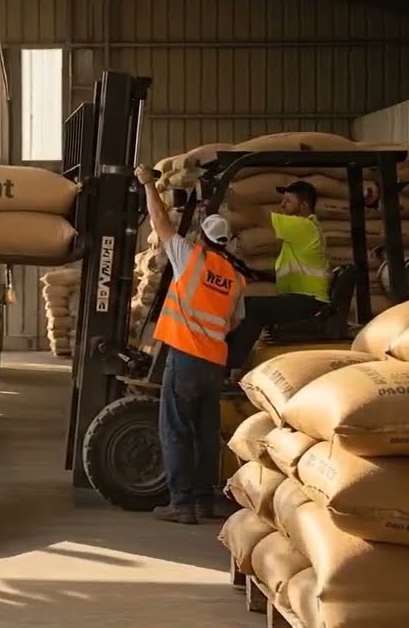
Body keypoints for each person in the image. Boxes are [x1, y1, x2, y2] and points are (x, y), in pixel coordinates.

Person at [137, 165, 246, 525]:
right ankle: (202, 501)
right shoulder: (235, 279)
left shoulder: (191, 257)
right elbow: (234, 322)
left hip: (185, 358)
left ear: (203, 237)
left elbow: (160, 222)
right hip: (214, 364)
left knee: (176, 430)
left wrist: (148, 184)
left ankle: (181, 504)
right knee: (205, 433)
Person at [224, 180, 330, 375]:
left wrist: (229, 195)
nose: (282, 205)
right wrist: (259, 275)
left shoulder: (304, 226)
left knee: (251, 308)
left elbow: (259, 216)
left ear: (304, 206)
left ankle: (230, 366)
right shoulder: (300, 234)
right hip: (303, 298)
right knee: (249, 304)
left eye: (288, 201)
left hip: (309, 302)